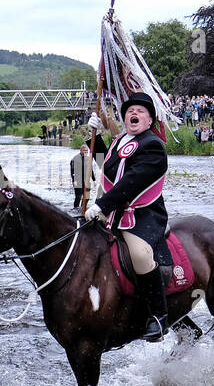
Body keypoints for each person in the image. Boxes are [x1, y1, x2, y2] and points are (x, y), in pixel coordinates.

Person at [84, 92, 171, 342]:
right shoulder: (119, 142)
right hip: (114, 211)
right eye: (130, 111)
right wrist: (97, 137)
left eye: (140, 111)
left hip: (143, 215)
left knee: (140, 255)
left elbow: (132, 182)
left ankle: (158, 316)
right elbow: (107, 166)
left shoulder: (153, 145)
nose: (134, 114)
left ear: (149, 120)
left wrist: (101, 204)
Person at [70, 142, 96, 209]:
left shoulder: (88, 159)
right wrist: (74, 180)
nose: (86, 152)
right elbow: (72, 171)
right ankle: (75, 209)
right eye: (84, 150)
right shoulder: (75, 159)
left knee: (87, 196)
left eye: (87, 151)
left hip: (86, 180)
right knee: (78, 196)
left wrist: (94, 180)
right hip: (78, 180)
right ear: (81, 150)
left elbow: (91, 170)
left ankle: (82, 208)